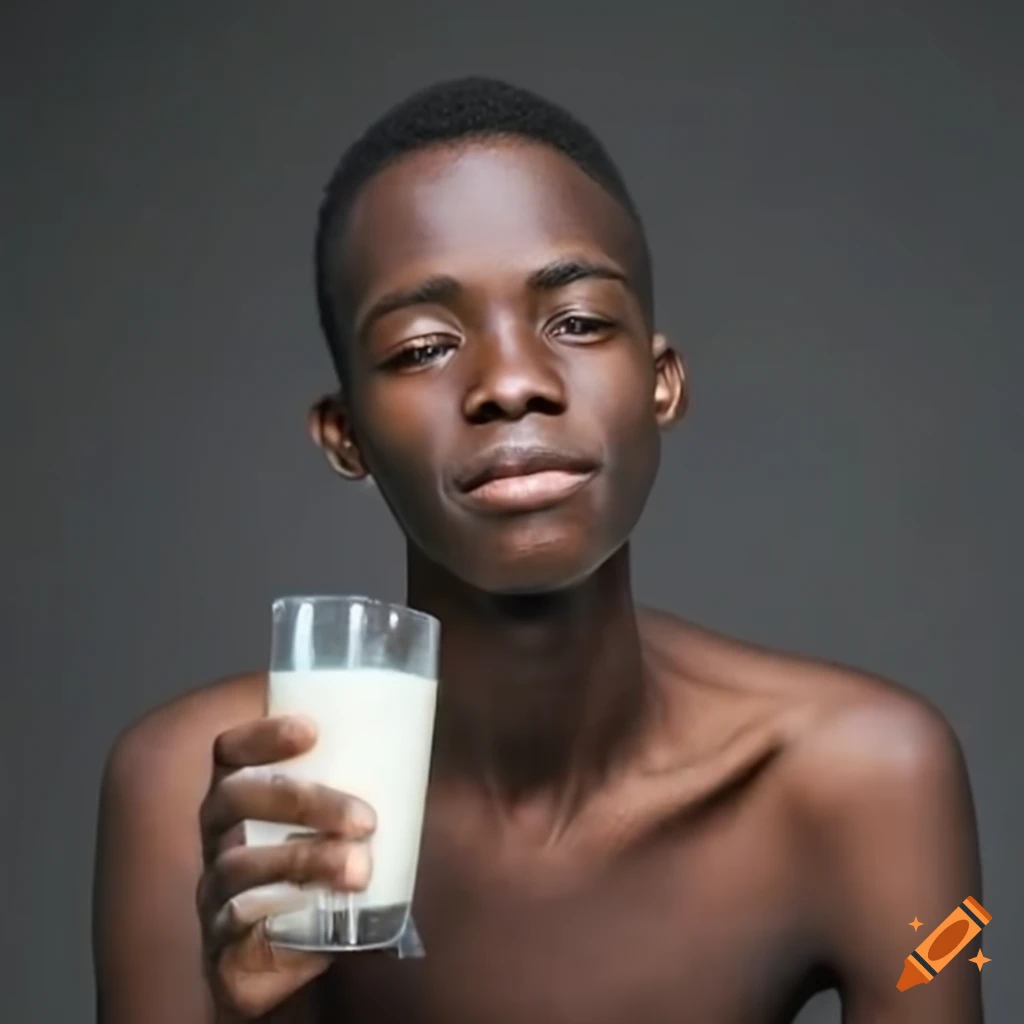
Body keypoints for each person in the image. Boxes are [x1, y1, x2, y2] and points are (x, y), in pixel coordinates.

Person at [92, 77, 985, 1023]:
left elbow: (951, 947)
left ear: (660, 382)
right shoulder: (207, 795)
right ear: (345, 433)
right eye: (424, 346)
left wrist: (945, 944)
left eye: (579, 322)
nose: (511, 383)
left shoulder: (872, 777)